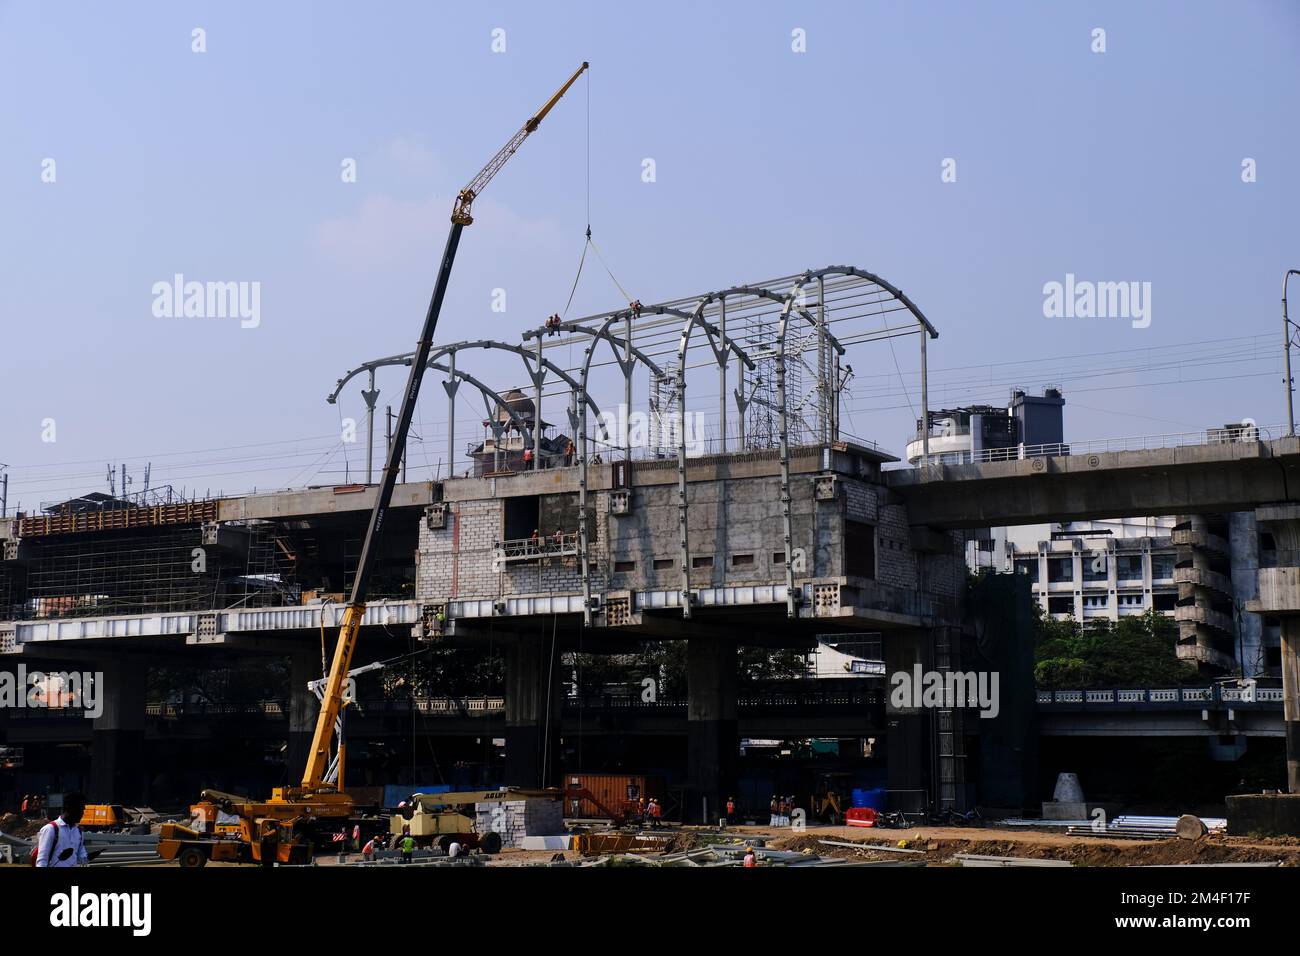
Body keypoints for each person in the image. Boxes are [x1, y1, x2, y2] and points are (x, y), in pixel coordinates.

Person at [35, 791, 88, 868]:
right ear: (68, 807)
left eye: (83, 810)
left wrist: (85, 858)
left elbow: (81, 854)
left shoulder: (79, 832)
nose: (82, 813)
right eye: (80, 809)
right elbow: (42, 861)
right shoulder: (50, 829)